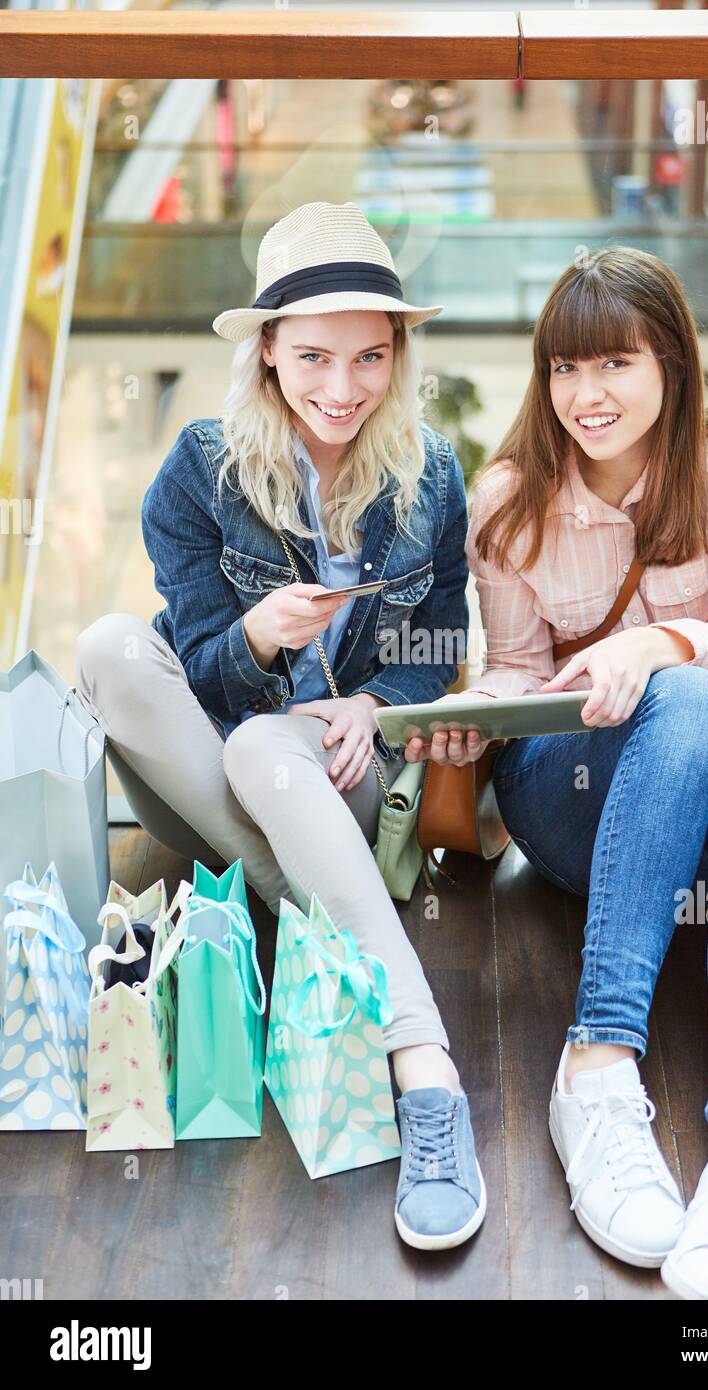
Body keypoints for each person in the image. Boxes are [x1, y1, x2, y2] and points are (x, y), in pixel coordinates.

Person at [406, 246, 708, 1299]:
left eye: (612, 366)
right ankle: (595, 1067)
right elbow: (510, 667)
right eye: (561, 369)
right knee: (686, 703)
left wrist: (659, 644)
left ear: (670, 364)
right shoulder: (510, 496)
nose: (582, 396)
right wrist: (472, 714)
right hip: (571, 803)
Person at [74, 201, 485, 1252]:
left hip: (328, 777)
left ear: (399, 354)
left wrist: (372, 705)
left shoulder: (431, 479)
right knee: (113, 647)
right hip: (211, 766)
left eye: (369, 358)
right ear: (264, 350)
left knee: (274, 748)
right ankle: (371, 971)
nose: (341, 389)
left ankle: (419, 1065)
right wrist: (256, 636)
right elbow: (200, 672)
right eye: (311, 356)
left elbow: (435, 654)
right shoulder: (200, 472)